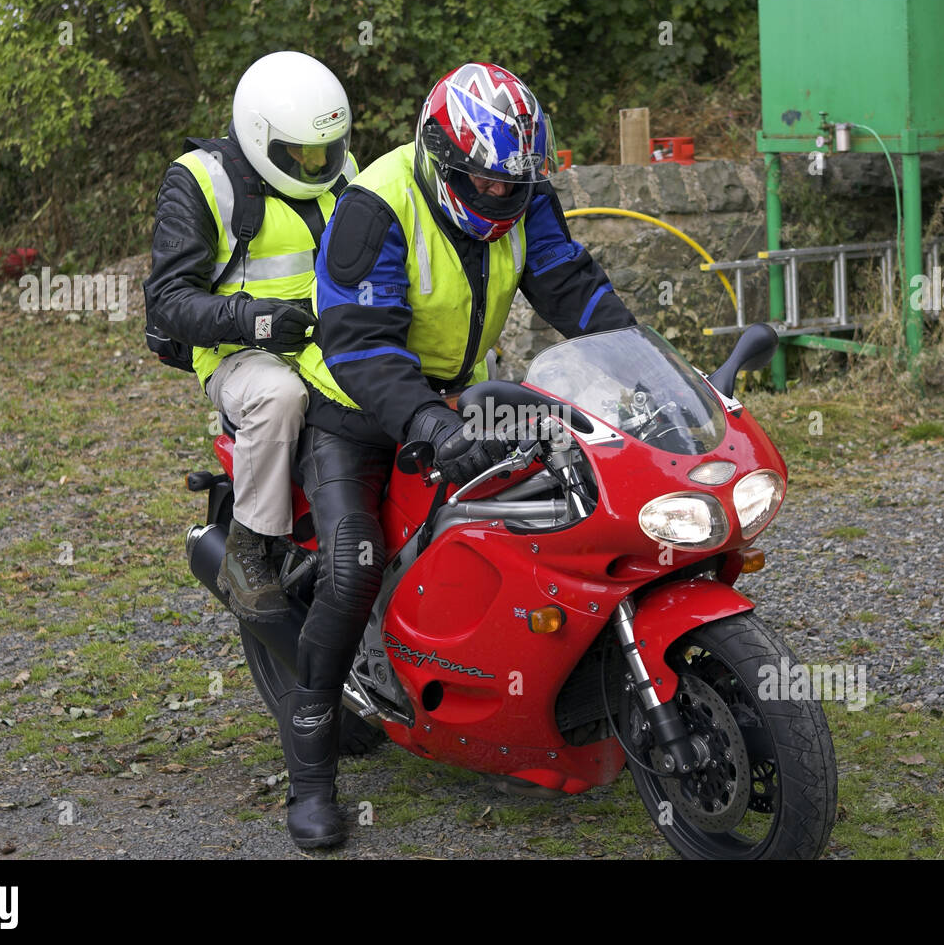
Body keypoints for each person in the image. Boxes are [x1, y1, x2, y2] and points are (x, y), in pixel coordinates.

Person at [282, 62, 637, 848]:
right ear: (441, 160)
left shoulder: (522, 194)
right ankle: (310, 778)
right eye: (485, 185)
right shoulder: (376, 206)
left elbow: (567, 284)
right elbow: (358, 344)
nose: (503, 199)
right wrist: (429, 425)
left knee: (553, 520)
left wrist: (637, 360)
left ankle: (527, 703)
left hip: (469, 399)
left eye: (516, 186)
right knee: (353, 563)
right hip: (356, 409)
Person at [143, 51, 356, 625]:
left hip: (332, 338)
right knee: (279, 396)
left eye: (327, 151)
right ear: (261, 137)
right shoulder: (200, 180)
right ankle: (249, 547)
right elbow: (166, 302)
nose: (319, 164)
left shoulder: (345, 169)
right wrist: (252, 320)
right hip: (239, 353)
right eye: (302, 154)